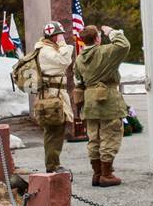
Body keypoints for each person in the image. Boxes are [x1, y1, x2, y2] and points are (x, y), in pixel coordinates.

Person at [74, 23, 131, 187]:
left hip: (90, 101)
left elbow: (79, 80)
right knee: (110, 135)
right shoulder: (104, 51)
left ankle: (97, 174)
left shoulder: (79, 58)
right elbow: (123, 45)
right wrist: (111, 32)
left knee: (94, 138)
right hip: (108, 100)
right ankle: (106, 174)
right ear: (98, 38)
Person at [34, 21, 74, 174]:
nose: (62, 37)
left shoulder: (47, 49)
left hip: (54, 97)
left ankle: (54, 164)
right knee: (54, 132)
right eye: (60, 35)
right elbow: (64, 61)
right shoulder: (45, 51)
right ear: (54, 36)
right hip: (52, 98)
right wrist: (64, 45)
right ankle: (52, 166)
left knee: (56, 131)